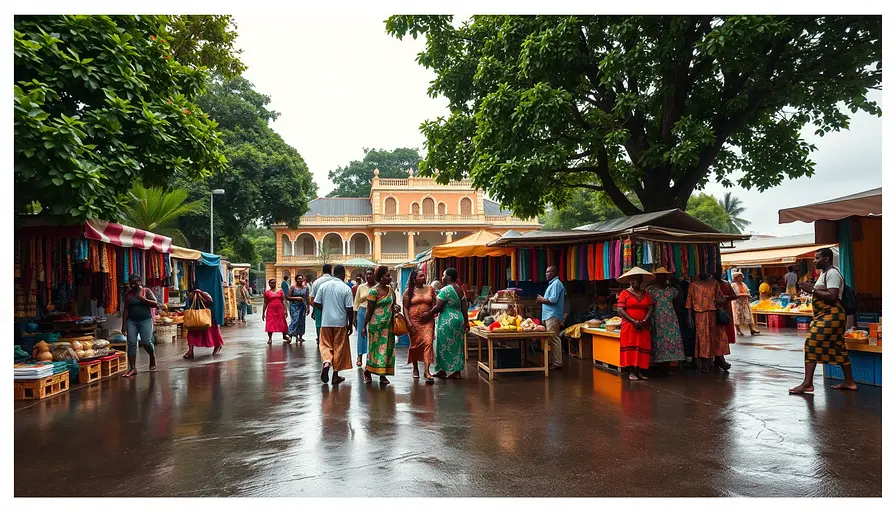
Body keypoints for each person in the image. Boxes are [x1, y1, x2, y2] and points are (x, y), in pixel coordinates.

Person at [789, 248, 857, 394]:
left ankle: (808, 383)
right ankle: (849, 382)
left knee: (811, 343)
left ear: (826, 259)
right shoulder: (824, 274)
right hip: (826, 315)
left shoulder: (832, 273)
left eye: (817, 258)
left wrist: (812, 290)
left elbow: (832, 295)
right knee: (838, 347)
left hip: (830, 316)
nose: (814, 261)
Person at [313, 264, 355, 385]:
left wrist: (325, 310)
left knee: (325, 345)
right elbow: (349, 308)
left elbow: (316, 302)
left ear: (333, 273)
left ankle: (326, 362)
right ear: (343, 274)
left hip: (326, 322)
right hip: (340, 323)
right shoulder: (346, 288)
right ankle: (335, 375)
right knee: (339, 347)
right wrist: (350, 323)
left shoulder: (324, 286)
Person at [428, 268, 469, 379]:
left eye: (444, 275)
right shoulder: (459, 289)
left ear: (449, 277)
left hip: (447, 321)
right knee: (457, 346)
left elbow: (438, 307)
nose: (442, 277)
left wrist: (427, 314)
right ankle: (457, 371)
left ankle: (442, 369)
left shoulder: (445, 290)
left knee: (442, 345)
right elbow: (464, 307)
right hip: (458, 319)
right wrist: (466, 322)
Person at [686, 271, 731, 373]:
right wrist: (689, 316)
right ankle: (704, 363)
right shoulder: (693, 285)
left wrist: (718, 301)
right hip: (700, 314)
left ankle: (720, 359)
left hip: (713, 313)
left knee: (717, 336)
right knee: (703, 338)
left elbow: (722, 298)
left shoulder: (714, 283)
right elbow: (689, 301)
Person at [616, 267, 655, 380]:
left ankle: (639, 371)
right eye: (632, 279)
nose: (635, 282)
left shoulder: (646, 294)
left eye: (637, 279)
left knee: (642, 346)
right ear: (629, 280)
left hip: (643, 325)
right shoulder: (624, 293)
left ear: (641, 280)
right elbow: (620, 310)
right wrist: (633, 321)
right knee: (630, 347)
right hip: (629, 325)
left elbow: (650, 308)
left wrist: (645, 320)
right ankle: (631, 371)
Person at [363, 266, 399, 385]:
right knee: (374, 351)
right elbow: (369, 310)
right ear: (381, 277)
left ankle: (382, 375)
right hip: (376, 327)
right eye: (387, 275)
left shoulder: (391, 291)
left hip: (388, 326)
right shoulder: (374, 292)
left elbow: (394, 304)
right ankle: (368, 371)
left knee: (387, 350)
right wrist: (364, 327)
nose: (390, 278)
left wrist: (396, 307)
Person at [646, 267, 685, 370]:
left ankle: (667, 364)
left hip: (670, 318)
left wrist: (676, 286)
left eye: (664, 276)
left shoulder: (671, 290)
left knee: (671, 340)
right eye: (660, 276)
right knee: (658, 341)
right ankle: (658, 365)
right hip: (657, 318)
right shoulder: (650, 290)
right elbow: (648, 305)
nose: (662, 278)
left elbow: (679, 303)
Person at [120, 274, 158, 377]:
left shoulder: (146, 291)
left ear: (140, 282)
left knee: (146, 341)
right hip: (132, 321)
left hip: (145, 320)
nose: (133, 285)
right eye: (131, 284)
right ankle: (132, 368)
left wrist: (144, 299)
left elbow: (155, 304)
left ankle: (152, 356)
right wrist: (123, 325)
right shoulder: (128, 294)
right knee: (131, 343)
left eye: (135, 283)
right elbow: (126, 310)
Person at [404, 268, 436, 383]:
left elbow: (434, 305)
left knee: (428, 343)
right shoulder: (409, 291)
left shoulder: (430, 289)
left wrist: (430, 313)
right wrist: (408, 322)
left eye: (424, 275)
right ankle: (415, 367)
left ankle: (427, 371)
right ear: (415, 279)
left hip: (428, 321)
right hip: (414, 322)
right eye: (421, 276)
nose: (424, 277)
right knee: (415, 345)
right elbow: (405, 307)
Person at [536, 265, 566, 370]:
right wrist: (542, 300)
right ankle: (554, 361)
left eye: (549, 272)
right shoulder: (552, 284)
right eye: (546, 272)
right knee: (551, 339)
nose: (546, 274)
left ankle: (557, 363)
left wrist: (542, 299)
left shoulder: (556, 283)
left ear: (554, 273)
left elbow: (553, 300)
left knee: (554, 338)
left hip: (552, 315)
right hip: (549, 315)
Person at [183, 288, 224, 358]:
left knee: (212, 328)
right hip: (195, 311)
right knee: (192, 328)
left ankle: (218, 345)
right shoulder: (193, 288)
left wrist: (201, 294)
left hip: (208, 313)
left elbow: (210, 301)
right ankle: (190, 350)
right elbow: (189, 300)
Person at [353, 268, 375, 367]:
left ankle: (371, 358)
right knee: (361, 334)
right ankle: (359, 356)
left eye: (370, 274)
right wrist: (354, 317)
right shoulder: (361, 287)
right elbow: (356, 302)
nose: (368, 276)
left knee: (373, 334)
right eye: (366, 274)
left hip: (374, 312)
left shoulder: (377, 287)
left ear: (374, 275)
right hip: (362, 311)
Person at [310, 264, 336, 343]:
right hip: (333, 307)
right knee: (331, 324)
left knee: (319, 324)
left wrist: (314, 309)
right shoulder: (335, 281)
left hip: (319, 306)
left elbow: (312, 299)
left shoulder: (316, 282)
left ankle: (320, 339)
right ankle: (330, 340)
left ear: (323, 270)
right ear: (331, 270)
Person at [731, 271, 760, 336]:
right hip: (737, 303)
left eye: (741, 276)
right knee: (737, 316)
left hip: (744, 302)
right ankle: (738, 330)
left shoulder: (744, 284)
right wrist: (743, 294)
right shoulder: (733, 285)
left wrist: (748, 295)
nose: (742, 277)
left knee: (748, 315)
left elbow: (748, 292)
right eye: (740, 276)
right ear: (736, 278)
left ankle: (752, 329)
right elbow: (733, 295)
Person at [262, 278, 289, 345]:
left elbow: (283, 300)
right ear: (269, 284)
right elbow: (265, 303)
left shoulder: (280, 291)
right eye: (271, 283)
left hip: (280, 309)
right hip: (271, 310)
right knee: (270, 323)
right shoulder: (267, 292)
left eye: (274, 283)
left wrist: (285, 310)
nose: (273, 284)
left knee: (282, 323)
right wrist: (263, 312)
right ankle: (270, 338)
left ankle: (284, 336)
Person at [286, 274, 310, 343]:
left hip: (302, 306)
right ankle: (290, 335)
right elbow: (287, 297)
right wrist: (296, 298)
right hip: (294, 306)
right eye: (299, 279)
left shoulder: (306, 288)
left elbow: (307, 298)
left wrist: (308, 307)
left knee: (301, 321)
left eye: (301, 279)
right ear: (296, 280)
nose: (300, 280)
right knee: (295, 320)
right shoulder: (292, 287)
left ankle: (300, 336)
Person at [716, 273, 738, 345]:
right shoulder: (713, 284)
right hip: (718, 308)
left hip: (725, 308)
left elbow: (734, 295)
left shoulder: (726, 283)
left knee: (725, 324)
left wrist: (725, 297)